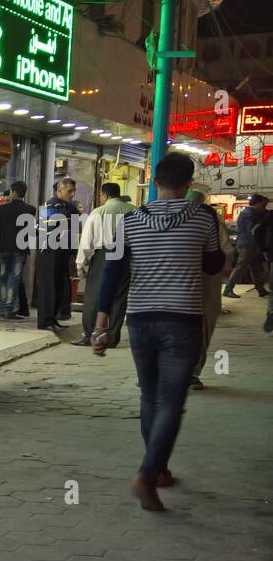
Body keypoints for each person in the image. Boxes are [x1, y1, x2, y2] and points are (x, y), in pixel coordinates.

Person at [92, 153, 225, 511]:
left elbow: (112, 272)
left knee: (149, 396)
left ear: (154, 182)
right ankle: (147, 474)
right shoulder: (203, 217)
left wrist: (101, 327)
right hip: (181, 318)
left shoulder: (131, 220)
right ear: (188, 184)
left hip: (140, 318)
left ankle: (159, 469)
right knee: (171, 401)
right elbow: (215, 265)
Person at [73, 182, 135, 347]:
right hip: (126, 255)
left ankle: (89, 335)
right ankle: (112, 337)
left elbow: (87, 241)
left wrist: (80, 264)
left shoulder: (98, 212)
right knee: (119, 298)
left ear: (105, 195)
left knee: (94, 297)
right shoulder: (133, 211)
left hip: (104, 256)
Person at [186, 193, 229, 389]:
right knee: (201, 328)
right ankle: (192, 374)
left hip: (175, 285)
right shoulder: (209, 219)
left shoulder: (163, 218)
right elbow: (226, 251)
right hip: (206, 284)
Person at [35, 178, 79, 331]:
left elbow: (75, 227)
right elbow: (50, 229)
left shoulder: (69, 207)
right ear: (59, 190)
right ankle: (45, 321)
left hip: (63, 252)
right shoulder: (50, 205)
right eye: (69, 191)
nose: (72, 194)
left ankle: (53, 318)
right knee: (49, 286)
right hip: (50, 251)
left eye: (73, 191)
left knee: (59, 286)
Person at [0, 181, 36, 319]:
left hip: (5, 248)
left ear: (14, 192)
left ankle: (2, 307)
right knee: (14, 278)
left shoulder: (3, 209)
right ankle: (9, 309)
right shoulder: (30, 209)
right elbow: (31, 231)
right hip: (20, 249)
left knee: (3, 276)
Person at [224, 194, 269, 298]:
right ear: (257, 203)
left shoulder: (250, 212)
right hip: (247, 243)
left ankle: (260, 289)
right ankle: (228, 289)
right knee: (240, 267)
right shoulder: (249, 214)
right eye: (263, 204)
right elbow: (253, 230)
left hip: (249, 243)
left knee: (254, 267)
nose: (264, 207)